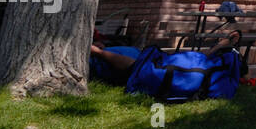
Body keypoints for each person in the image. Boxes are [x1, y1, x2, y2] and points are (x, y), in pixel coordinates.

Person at [89, 29, 242, 85]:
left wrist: (97, 52)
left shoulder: (199, 72)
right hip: (146, 57)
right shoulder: (206, 69)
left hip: (119, 62)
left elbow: (134, 67)